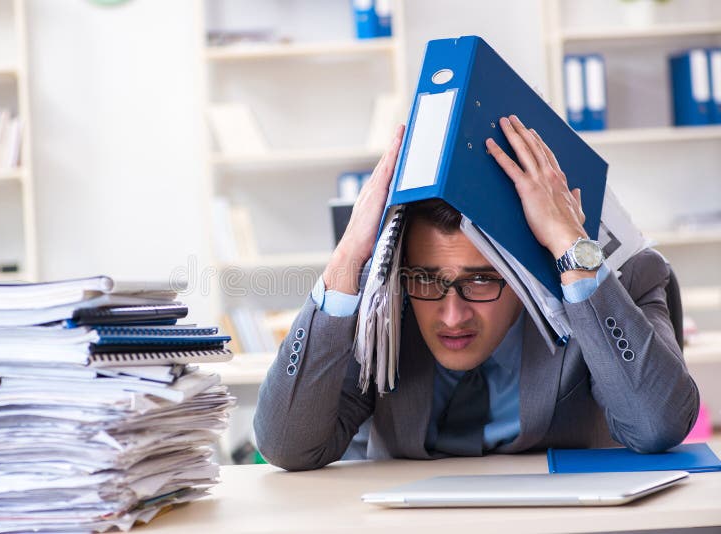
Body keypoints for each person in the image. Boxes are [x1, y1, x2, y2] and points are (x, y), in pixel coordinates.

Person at [253, 115, 699, 471]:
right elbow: (287, 445)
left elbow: (656, 426)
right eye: (427, 278)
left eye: (481, 280)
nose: (451, 316)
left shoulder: (623, 280)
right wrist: (347, 256)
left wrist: (570, 247)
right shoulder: (383, 300)